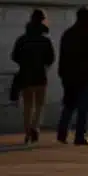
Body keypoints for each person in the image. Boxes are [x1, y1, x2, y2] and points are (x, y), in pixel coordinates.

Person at [56, 7, 88, 145]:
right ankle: (80, 136)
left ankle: (62, 133)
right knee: (83, 107)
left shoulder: (68, 34)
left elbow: (62, 56)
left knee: (69, 104)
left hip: (69, 76)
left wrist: (62, 73)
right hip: (86, 75)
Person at [11, 9, 55, 144]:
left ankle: (27, 131)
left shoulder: (22, 39)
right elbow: (51, 59)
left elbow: (14, 56)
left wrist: (24, 63)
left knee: (27, 105)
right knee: (39, 104)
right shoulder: (45, 40)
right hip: (40, 75)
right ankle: (35, 127)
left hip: (25, 76)